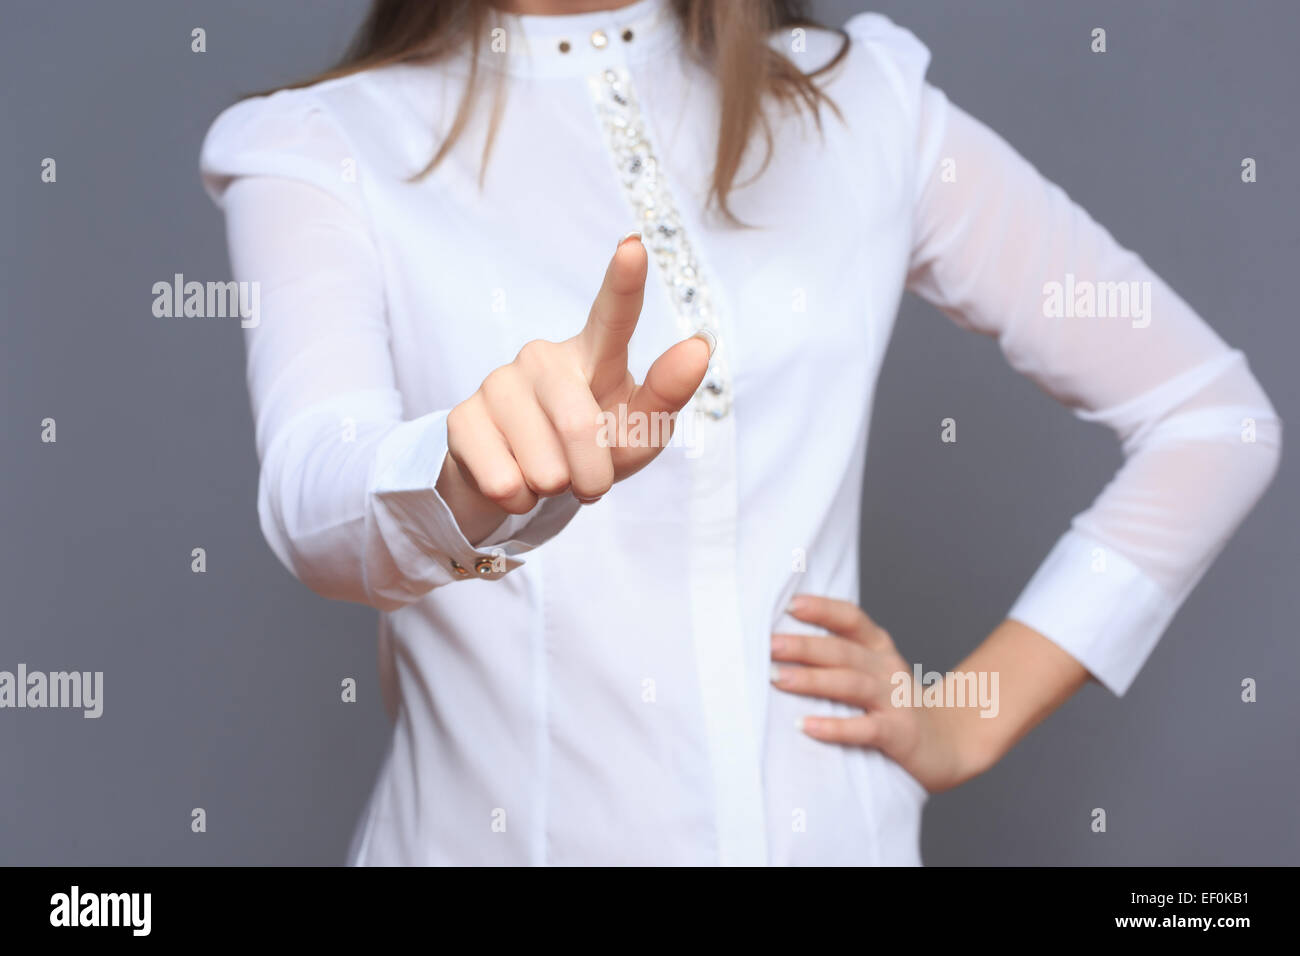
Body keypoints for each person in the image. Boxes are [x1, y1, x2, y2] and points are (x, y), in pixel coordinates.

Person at [199, 0, 1281, 865]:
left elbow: (1212, 417)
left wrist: (967, 713)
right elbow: (313, 504)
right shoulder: (321, 147)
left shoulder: (863, 106)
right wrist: (459, 475)